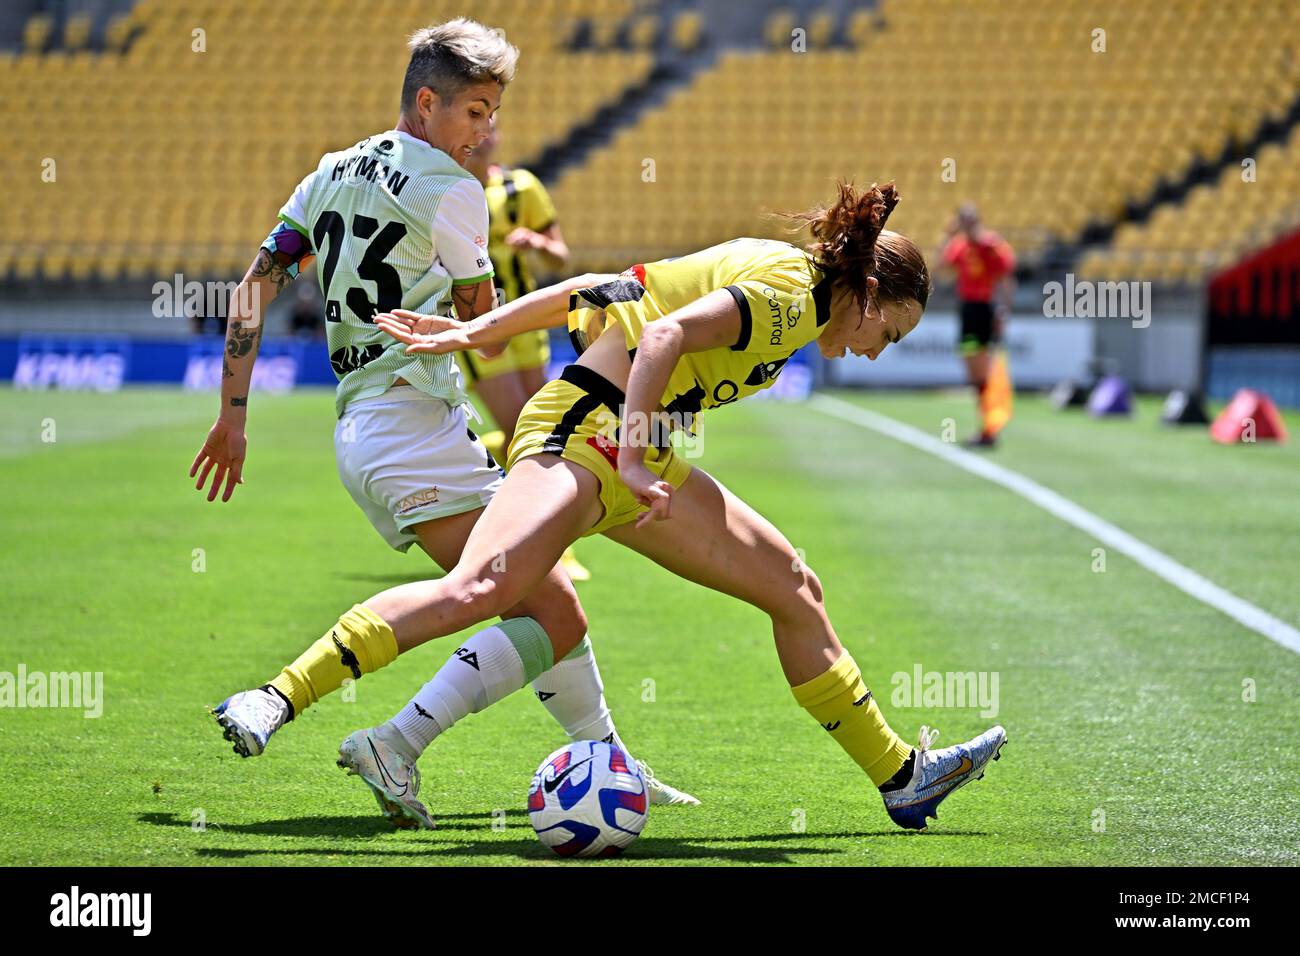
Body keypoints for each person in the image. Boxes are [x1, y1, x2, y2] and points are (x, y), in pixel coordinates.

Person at [312, 181, 1006, 831]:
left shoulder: (801, 291)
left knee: (794, 587)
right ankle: (293, 699)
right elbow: (666, 337)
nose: (879, 354)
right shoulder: (793, 300)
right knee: (484, 588)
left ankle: (900, 778)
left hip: (628, 441)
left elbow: (599, 288)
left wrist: (474, 333)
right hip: (588, 431)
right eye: (890, 334)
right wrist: (638, 456)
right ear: (871, 294)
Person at [188, 18, 695, 828]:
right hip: (413, 425)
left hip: (365, 424)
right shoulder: (453, 192)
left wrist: (232, 415)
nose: (486, 134)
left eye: (493, 114)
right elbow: (478, 315)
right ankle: (286, 701)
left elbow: (253, 287)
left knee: (553, 604)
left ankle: (608, 765)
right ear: (426, 103)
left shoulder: (327, 172)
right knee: (498, 592)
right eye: (474, 113)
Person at [460, 125, 591, 581]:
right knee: (521, 432)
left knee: (536, 431)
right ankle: (545, 547)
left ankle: (540, 543)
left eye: (491, 126)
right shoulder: (442, 188)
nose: (486, 134)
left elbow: (560, 256)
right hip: (477, 328)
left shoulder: (521, 187)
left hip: (527, 323)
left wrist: (536, 243)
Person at [940, 203, 1016, 447]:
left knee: (983, 371)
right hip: (968, 311)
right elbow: (942, 268)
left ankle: (989, 428)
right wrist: (948, 237)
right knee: (974, 372)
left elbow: (1005, 278)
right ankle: (987, 427)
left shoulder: (990, 245)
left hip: (983, 310)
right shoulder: (960, 245)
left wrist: (1003, 310)